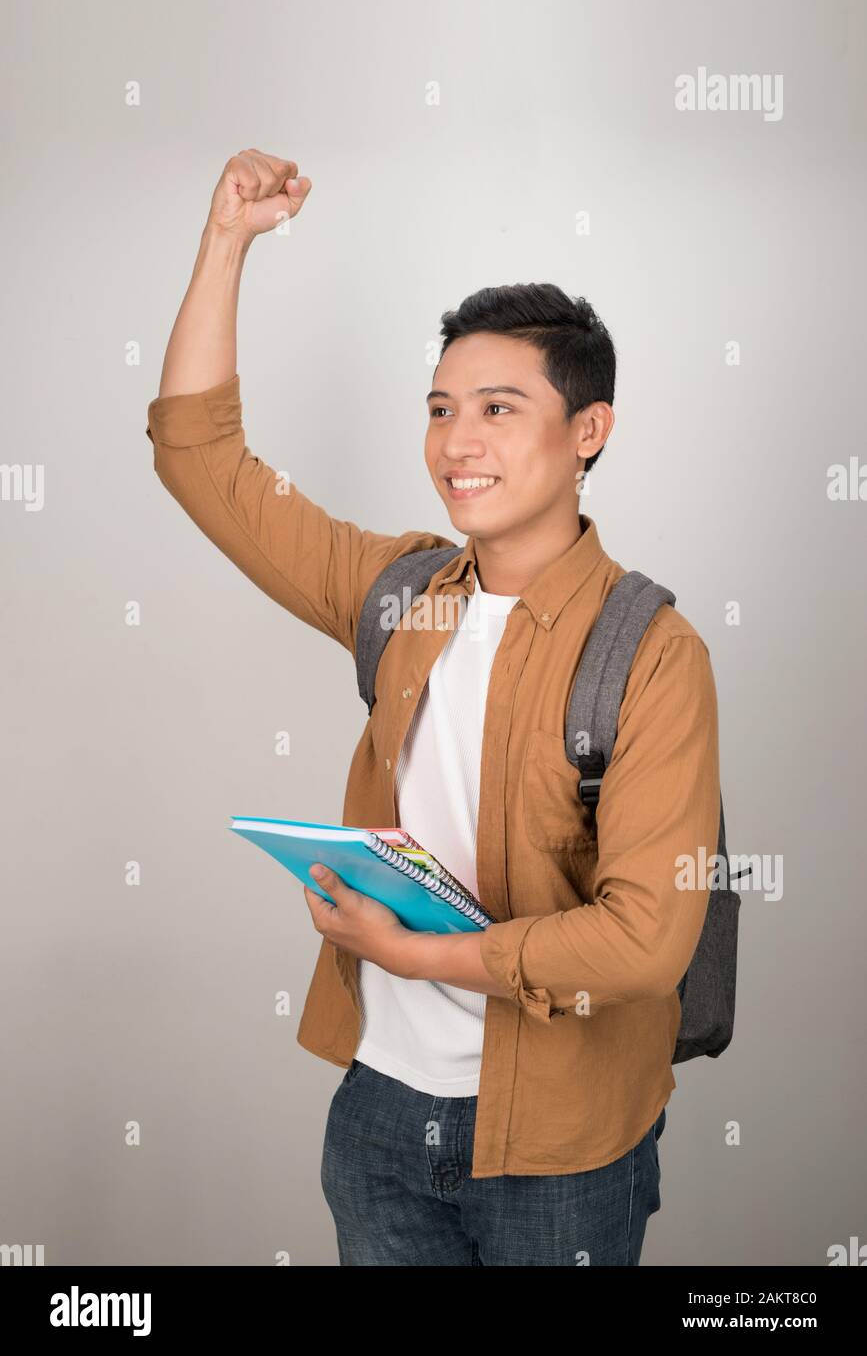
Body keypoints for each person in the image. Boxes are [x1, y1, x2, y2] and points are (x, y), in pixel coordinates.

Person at [146, 148, 720, 1266]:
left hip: (561, 1152)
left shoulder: (654, 652)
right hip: (377, 1118)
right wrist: (225, 242)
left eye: (500, 409)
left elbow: (647, 941)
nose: (458, 441)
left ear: (587, 430)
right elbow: (199, 461)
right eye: (442, 406)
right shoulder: (399, 592)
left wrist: (416, 958)